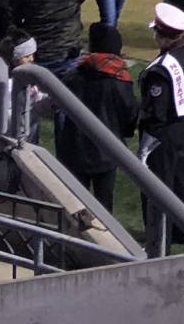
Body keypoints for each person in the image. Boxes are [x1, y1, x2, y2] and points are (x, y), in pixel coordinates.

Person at [138, 4, 184, 251]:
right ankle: (182, 230)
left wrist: (146, 142)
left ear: (164, 35)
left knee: (157, 185)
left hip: (163, 132)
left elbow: (158, 112)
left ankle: (159, 239)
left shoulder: (160, 70)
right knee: (182, 177)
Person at [59, 22, 138, 215]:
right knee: (104, 206)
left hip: (74, 149)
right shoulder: (121, 80)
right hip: (107, 151)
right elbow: (130, 114)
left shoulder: (74, 75)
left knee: (75, 205)